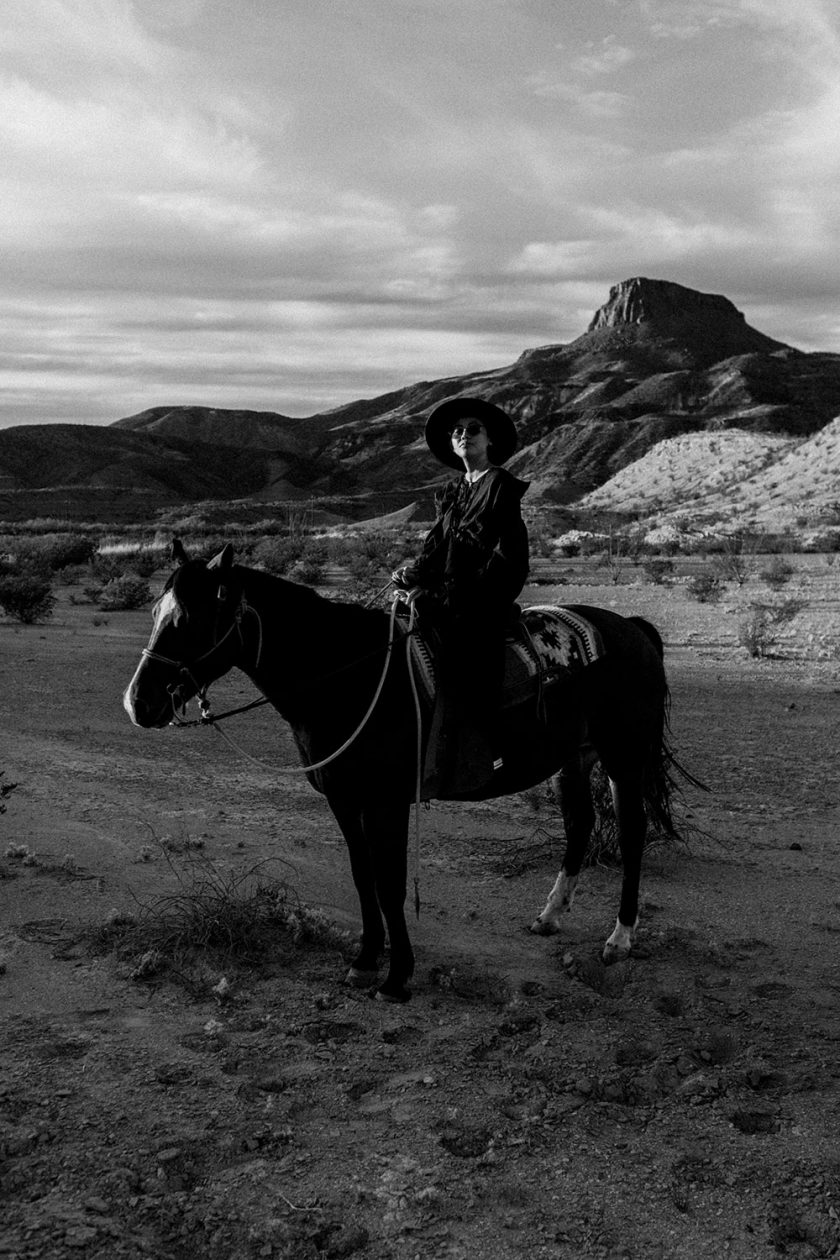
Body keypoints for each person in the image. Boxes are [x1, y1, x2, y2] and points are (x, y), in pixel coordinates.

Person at [392, 396, 530, 794]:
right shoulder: (454, 492)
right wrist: (415, 573)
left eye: (473, 429)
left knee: (464, 661)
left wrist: (443, 599)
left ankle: (487, 755)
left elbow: (509, 562)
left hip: (480, 603)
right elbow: (438, 550)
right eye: (457, 431)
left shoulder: (501, 487)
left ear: (489, 441)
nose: (464, 435)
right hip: (441, 597)